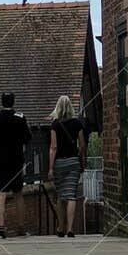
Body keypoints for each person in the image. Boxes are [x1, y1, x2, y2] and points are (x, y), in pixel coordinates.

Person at [0, 93, 31, 238]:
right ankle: (20, 227)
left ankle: (1, 228)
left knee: (1, 193)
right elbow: (27, 138)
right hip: (16, 160)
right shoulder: (20, 117)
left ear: (2, 102)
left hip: (0, 160)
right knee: (18, 193)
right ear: (13, 102)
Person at [48, 95, 86, 238]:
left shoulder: (55, 125)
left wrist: (50, 168)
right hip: (73, 162)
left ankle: (60, 227)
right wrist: (82, 161)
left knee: (60, 197)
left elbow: (53, 147)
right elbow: (82, 146)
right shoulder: (77, 123)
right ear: (70, 107)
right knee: (71, 196)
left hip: (59, 163)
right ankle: (70, 228)